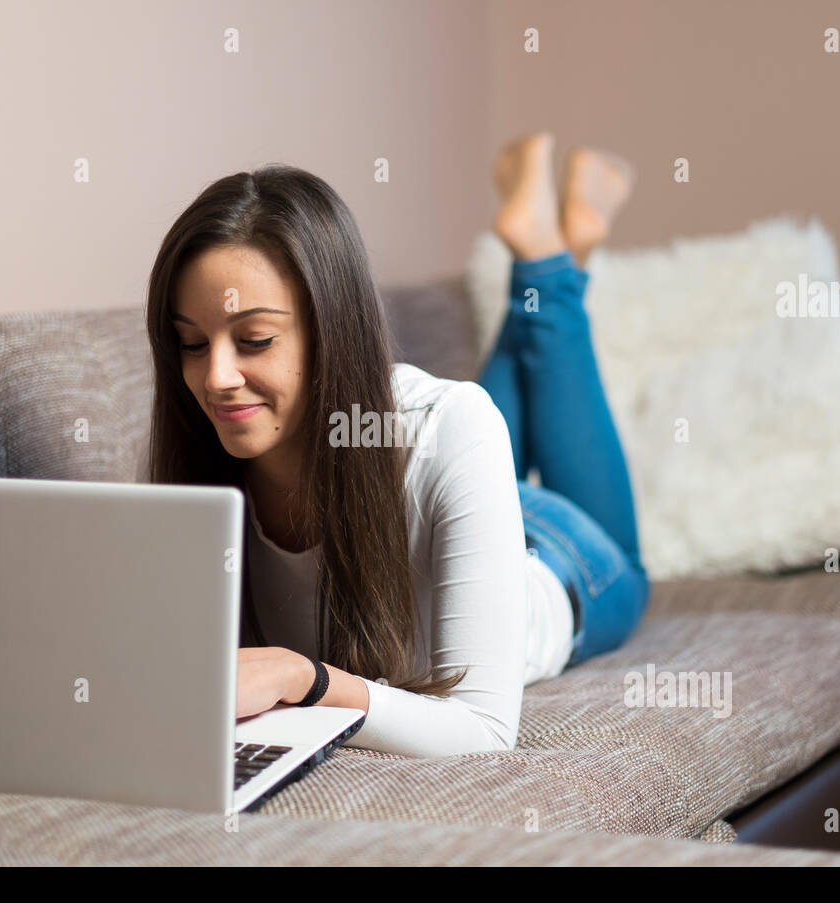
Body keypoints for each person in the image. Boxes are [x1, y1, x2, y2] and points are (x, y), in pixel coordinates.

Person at [144, 131, 648, 759]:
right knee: (457, 423)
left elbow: (484, 731)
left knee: (624, 558)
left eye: (255, 340)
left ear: (331, 328)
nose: (215, 377)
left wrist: (308, 679)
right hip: (448, 488)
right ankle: (552, 253)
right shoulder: (195, 453)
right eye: (192, 344)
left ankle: (549, 263)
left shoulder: (449, 425)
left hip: (558, 554)